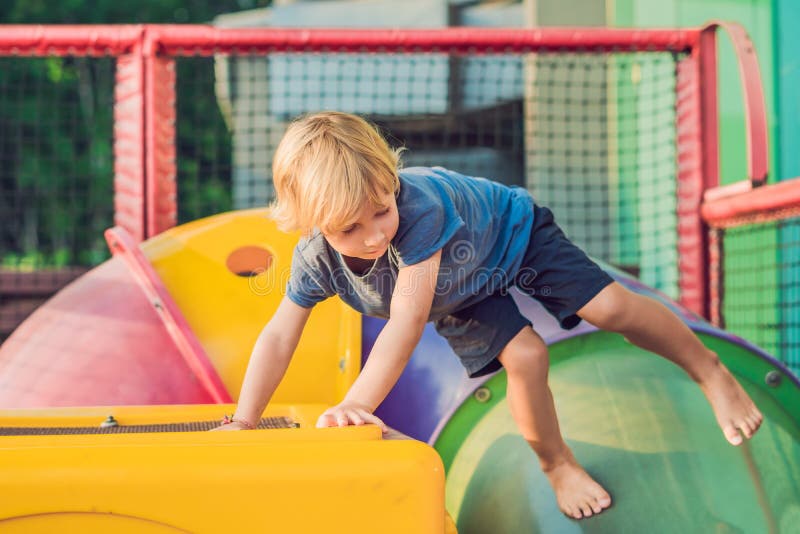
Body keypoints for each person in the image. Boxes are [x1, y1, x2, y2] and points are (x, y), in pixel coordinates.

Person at [214, 111, 763, 520]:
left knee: (612, 307)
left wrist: (357, 403)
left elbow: (406, 321)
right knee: (526, 356)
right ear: (310, 225)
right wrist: (244, 418)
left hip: (508, 239)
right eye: (349, 231)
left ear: (393, 182)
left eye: (381, 211)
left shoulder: (418, 211)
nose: (376, 234)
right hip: (457, 291)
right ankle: (556, 464)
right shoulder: (315, 260)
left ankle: (707, 368)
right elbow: (280, 334)